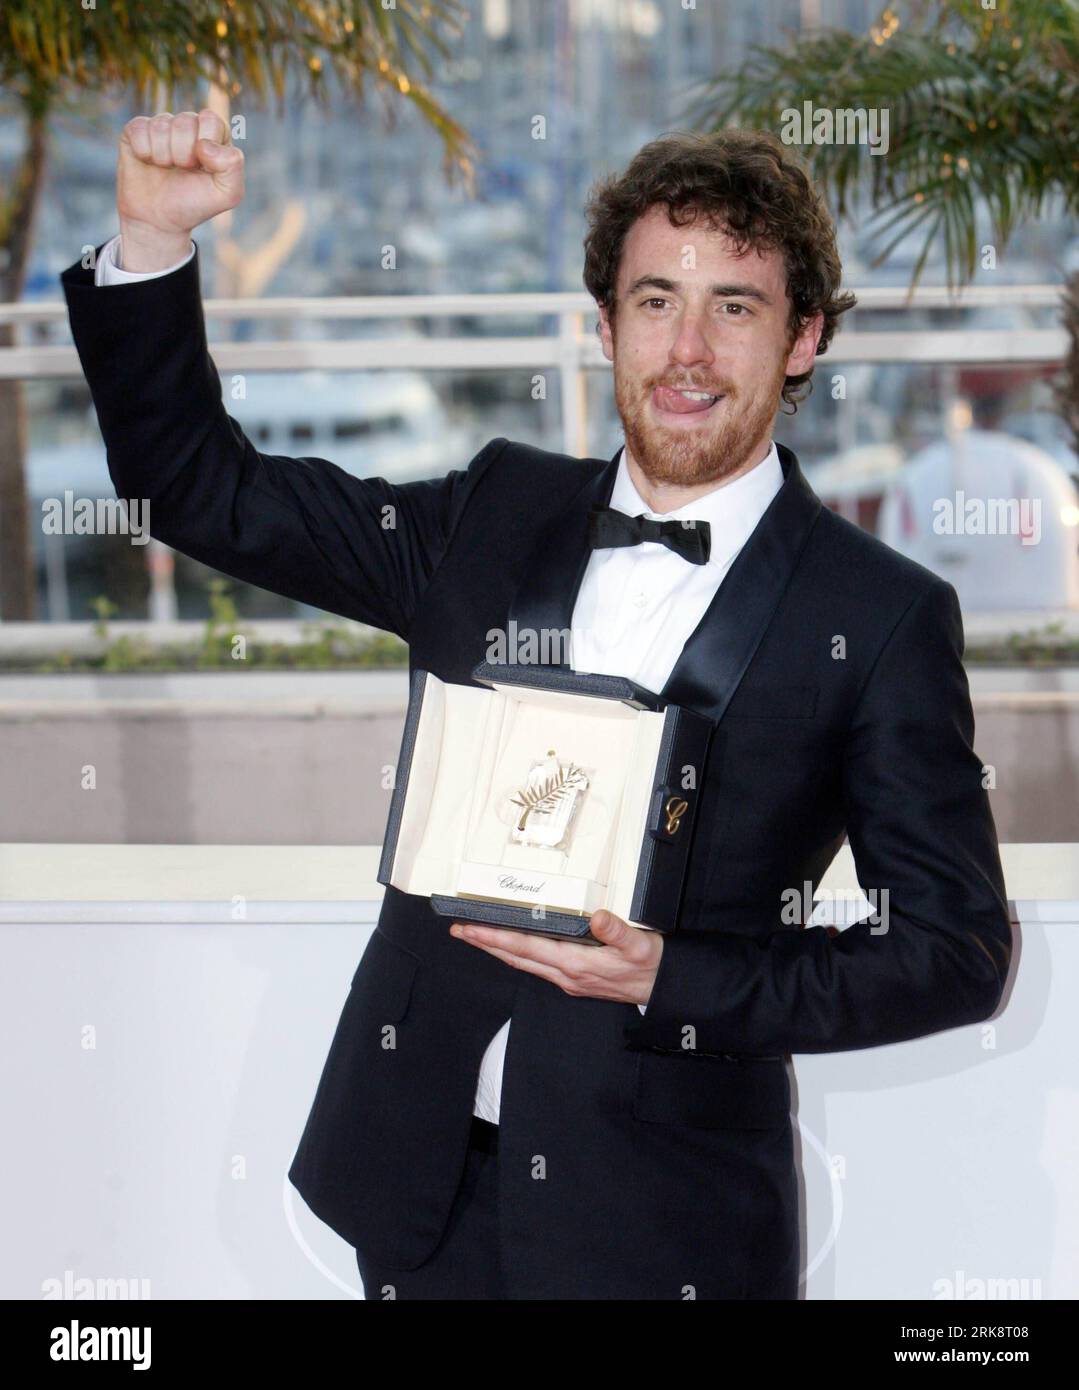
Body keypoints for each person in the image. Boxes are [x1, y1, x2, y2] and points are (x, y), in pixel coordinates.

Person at [60, 114, 1013, 1300]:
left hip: (670, 1228)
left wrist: (673, 974)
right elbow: (203, 491)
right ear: (603, 325)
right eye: (655, 300)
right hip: (419, 1197)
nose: (687, 349)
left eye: (735, 306)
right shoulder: (491, 512)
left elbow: (954, 953)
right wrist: (153, 236)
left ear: (803, 337)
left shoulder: (876, 614)